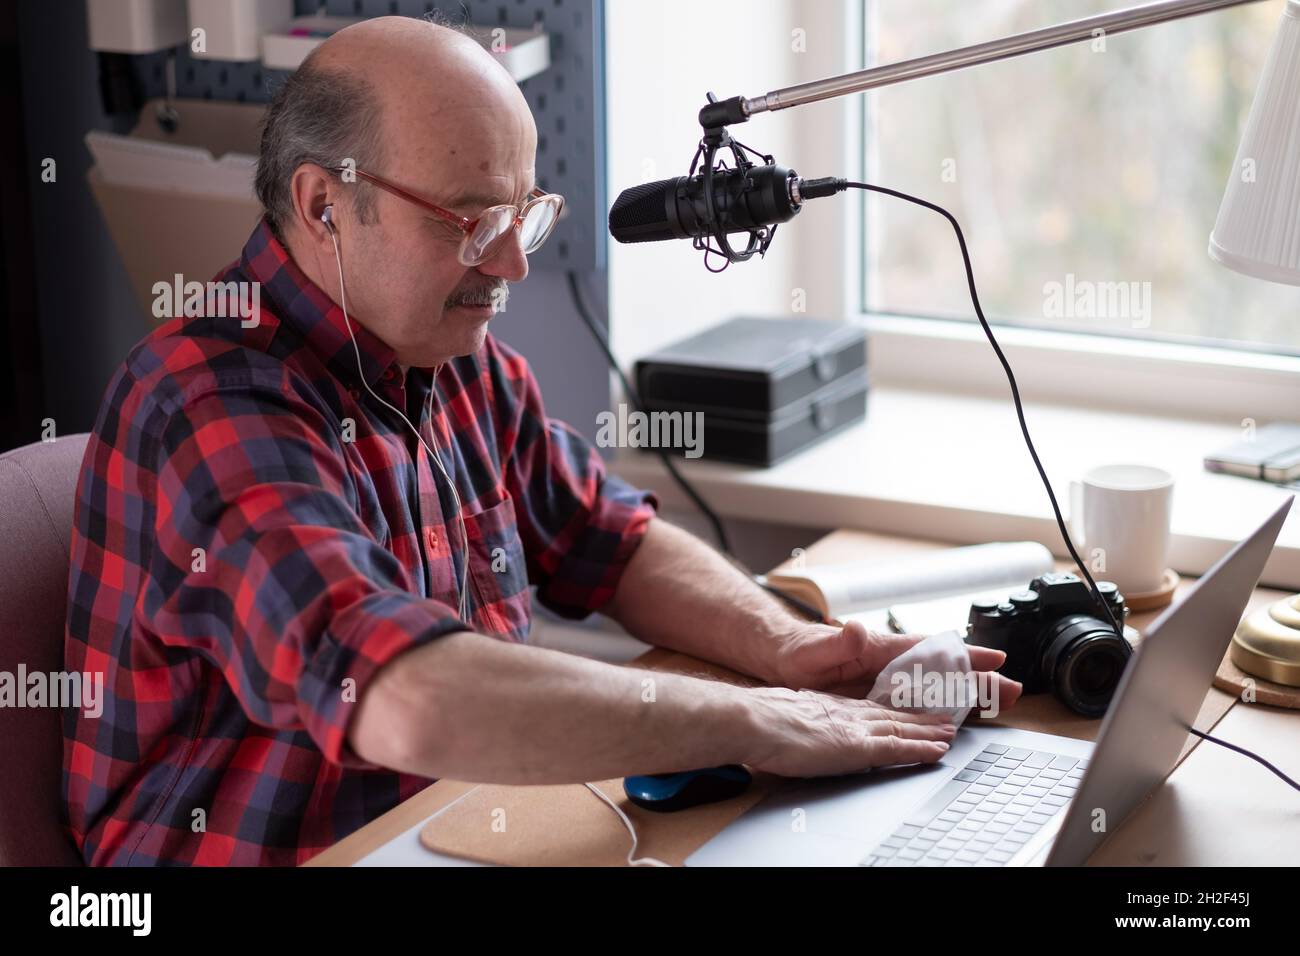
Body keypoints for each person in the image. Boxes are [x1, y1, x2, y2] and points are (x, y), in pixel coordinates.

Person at [63, 17, 1020, 865]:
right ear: (324, 207)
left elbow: (611, 543)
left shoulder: (452, 356)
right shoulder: (205, 405)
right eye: (474, 219)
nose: (515, 261)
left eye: (524, 212)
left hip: (454, 828)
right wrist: (754, 721)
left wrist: (789, 648)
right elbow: (412, 697)